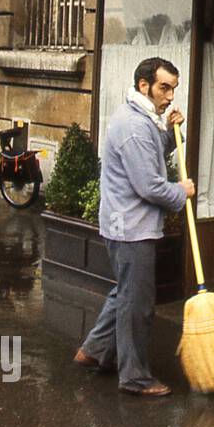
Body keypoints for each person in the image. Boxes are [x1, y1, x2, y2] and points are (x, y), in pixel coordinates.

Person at [73, 57, 196, 396]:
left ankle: (94, 351)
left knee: (124, 294)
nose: (170, 96)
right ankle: (135, 378)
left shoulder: (141, 119)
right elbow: (150, 186)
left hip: (127, 225)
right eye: (164, 88)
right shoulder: (134, 125)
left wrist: (172, 133)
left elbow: (150, 153)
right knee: (137, 304)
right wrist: (181, 192)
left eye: (173, 88)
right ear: (144, 85)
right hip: (132, 228)